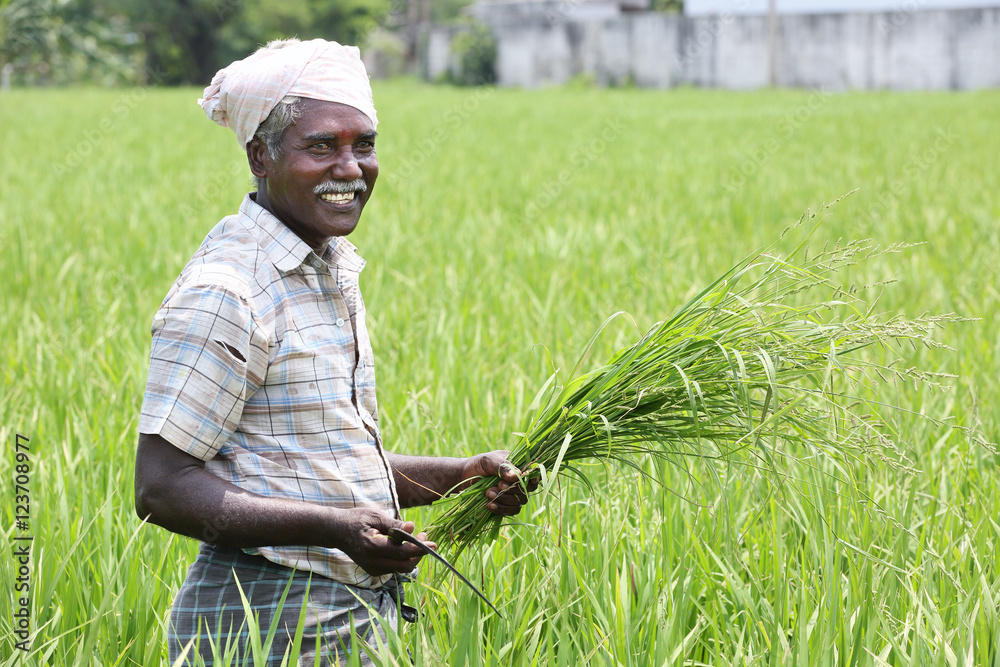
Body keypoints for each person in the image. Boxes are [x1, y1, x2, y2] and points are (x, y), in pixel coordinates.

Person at [133, 38, 531, 665]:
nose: (350, 168)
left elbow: (320, 462)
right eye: (322, 146)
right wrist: (334, 529)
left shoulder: (324, 270)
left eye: (363, 145)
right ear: (260, 155)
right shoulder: (229, 291)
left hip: (343, 619)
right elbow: (161, 488)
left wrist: (460, 476)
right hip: (263, 621)